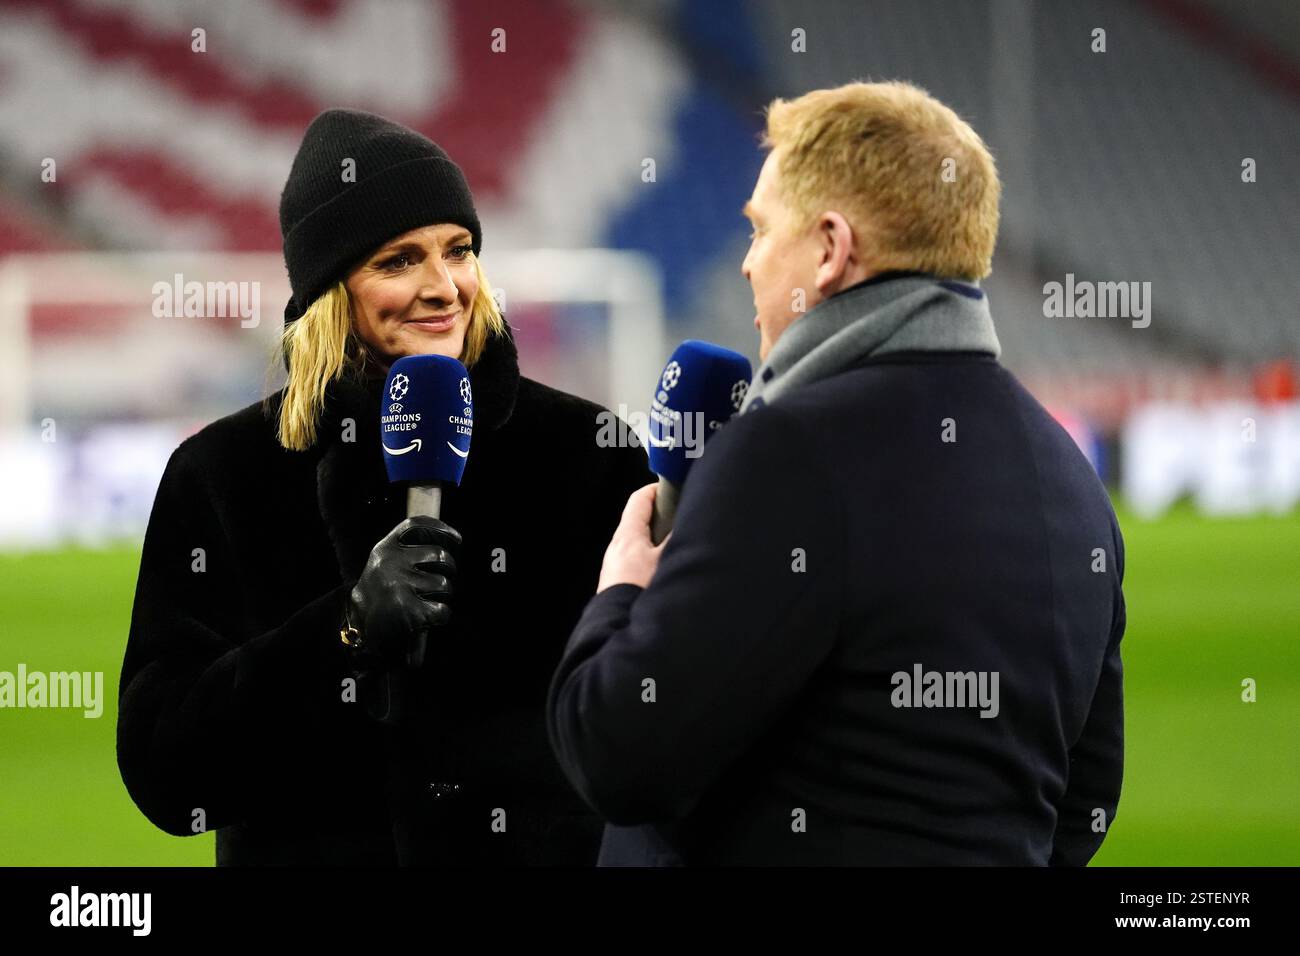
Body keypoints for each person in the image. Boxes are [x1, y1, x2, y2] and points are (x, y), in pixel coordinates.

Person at [547, 82, 1126, 866]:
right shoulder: (1067, 477)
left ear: (828, 248)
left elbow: (616, 754)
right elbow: (1084, 801)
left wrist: (621, 592)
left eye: (759, 230)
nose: (749, 264)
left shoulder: (787, 454)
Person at [117, 108, 653, 865]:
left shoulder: (588, 453)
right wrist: (344, 631)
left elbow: (658, 716)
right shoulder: (225, 474)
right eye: (399, 260)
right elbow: (165, 772)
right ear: (331, 291)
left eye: (459, 251)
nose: (444, 288)